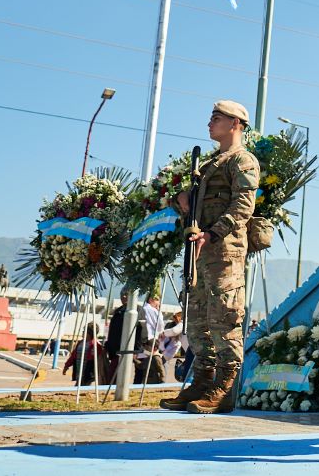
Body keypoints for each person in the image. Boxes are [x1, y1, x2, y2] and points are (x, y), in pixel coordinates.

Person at [161, 99, 260, 414]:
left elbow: (244, 205)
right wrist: (183, 203)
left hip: (224, 251)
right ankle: (202, 382)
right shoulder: (206, 166)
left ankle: (225, 388)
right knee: (198, 319)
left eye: (216, 118)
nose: (209, 123)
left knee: (225, 318)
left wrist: (213, 233)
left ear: (235, 124)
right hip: (200, 252)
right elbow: (199, 207)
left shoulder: (242, 161)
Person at [104, 289, 137, 382]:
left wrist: (136, 349)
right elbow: (112, 331)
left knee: (120, 377)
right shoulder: (118, 311)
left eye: (126, 294)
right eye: (122, 294)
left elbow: (139, 331)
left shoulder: (137, 310)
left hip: (127, 350)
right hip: (115, 351)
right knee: (111, 376)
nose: (124, 296)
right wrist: (107, 345)